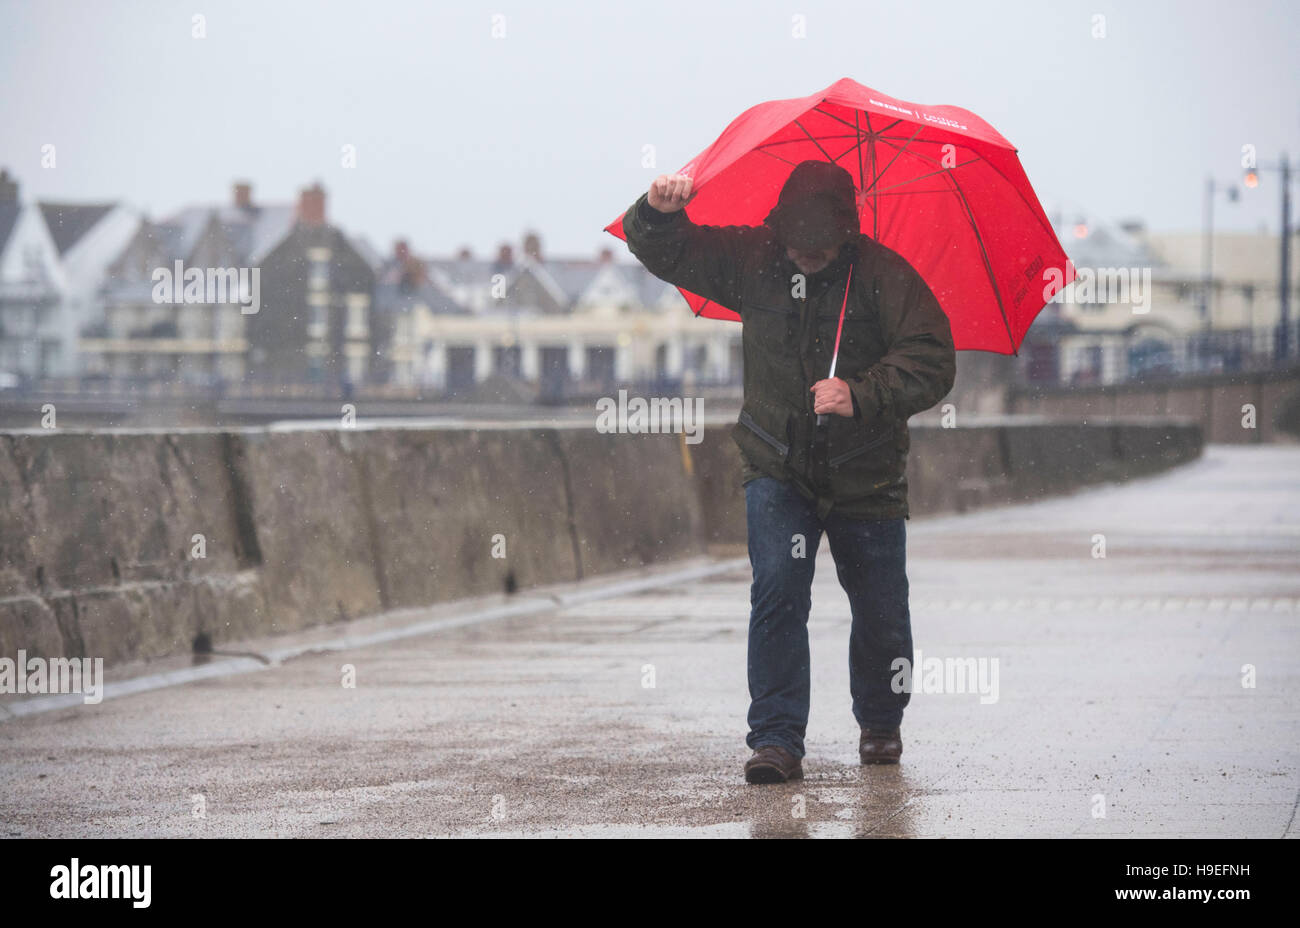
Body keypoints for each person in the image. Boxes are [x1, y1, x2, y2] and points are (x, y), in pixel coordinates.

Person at [622, 159, 956, 784]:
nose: (806, 258)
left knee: (882, 609)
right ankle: (775, 740)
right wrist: (659, 213)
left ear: (844, 233)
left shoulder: (885, 275)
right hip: (776, 463)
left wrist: (863, 392)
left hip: (868, 474)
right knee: (777, 591)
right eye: (797, 247)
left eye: (820, 249)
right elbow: (672, 253)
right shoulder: (754, 258)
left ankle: (882, 723)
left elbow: (933, 358)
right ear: (779, 228)